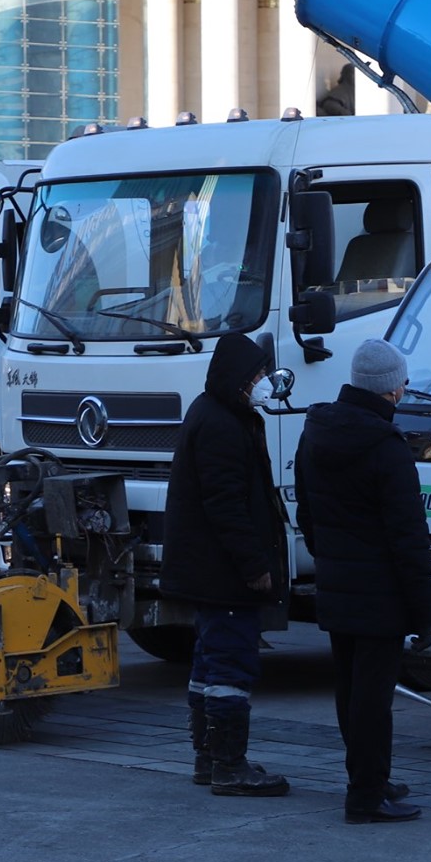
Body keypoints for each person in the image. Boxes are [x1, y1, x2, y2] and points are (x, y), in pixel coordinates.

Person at [295, 339, 431, 825]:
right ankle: (365, 795)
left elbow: (307, 513)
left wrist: (332, 560)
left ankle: (370, 777)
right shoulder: (387, 449)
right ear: (393, 390)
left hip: (338, 586)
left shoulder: (316, 432)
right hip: (380, 595)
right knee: (374, 699)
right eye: (402, 382)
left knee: (350, 689)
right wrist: (426, 611)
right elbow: (408, 539)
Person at [159, 332, 290, 797]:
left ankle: (209, 759)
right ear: (238, 377)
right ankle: (229, 766)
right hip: (223, 572)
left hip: (207, 570)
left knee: (210, 662)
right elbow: (226, 505)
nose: (261, 383)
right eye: (256, 375)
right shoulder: (222, 423)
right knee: (231, 664)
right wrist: (255, 565)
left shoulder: (215, 412)